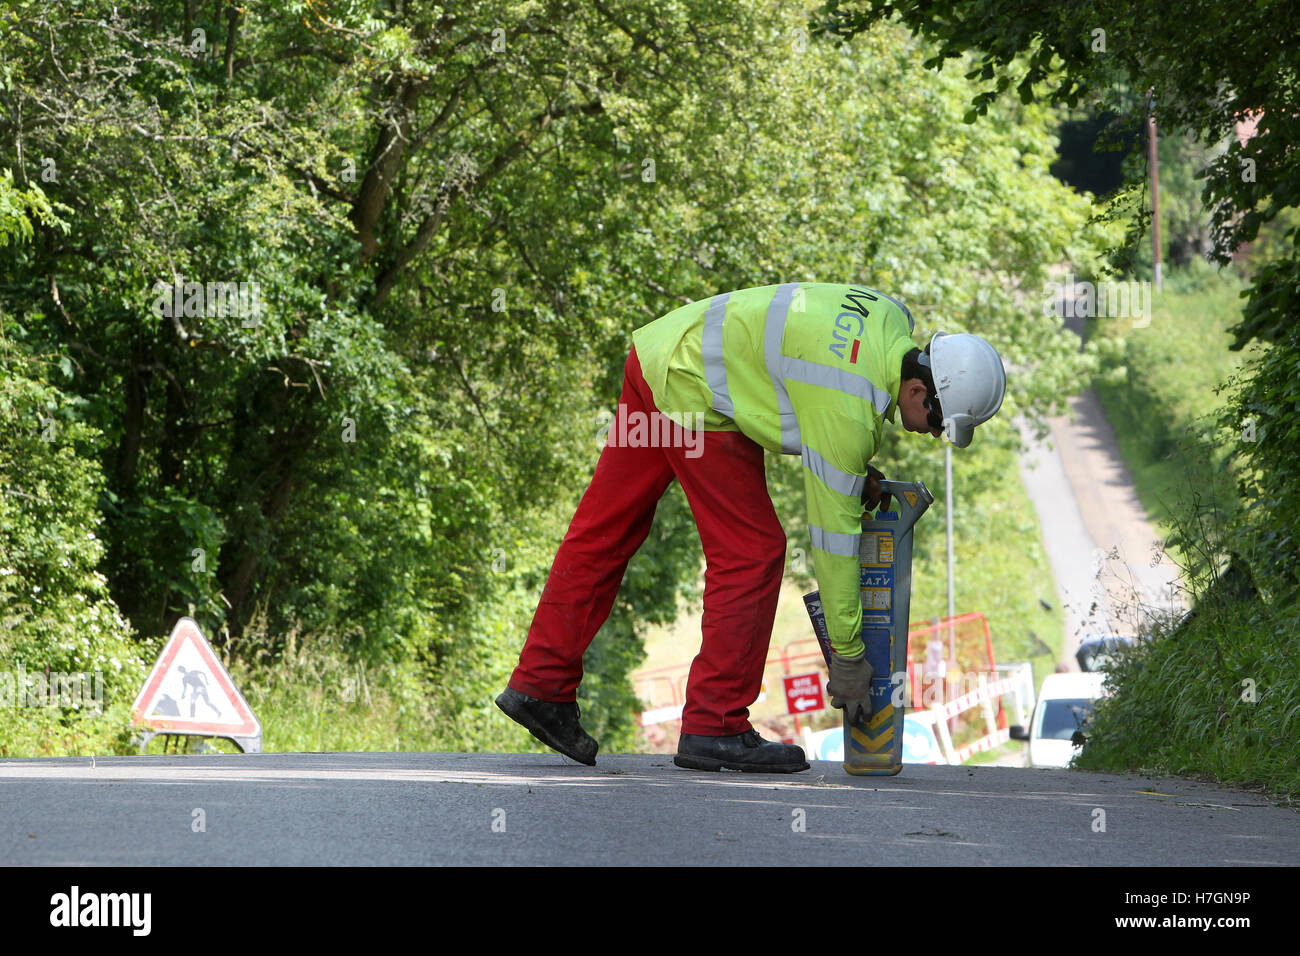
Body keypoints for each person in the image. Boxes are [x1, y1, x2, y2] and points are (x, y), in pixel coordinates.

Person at [496, 282, 1006, 772]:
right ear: (918, 389)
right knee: (751, 552)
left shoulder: (889, 317)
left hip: (659, 355)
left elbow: (809, 386)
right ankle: (714, 724)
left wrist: (853, 474)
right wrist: (848, 658)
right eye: (938, 423)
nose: (932, 433)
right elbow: (833, 542)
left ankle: (539, 684)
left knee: (603, 531)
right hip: (694, 391)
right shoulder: (848, 409)